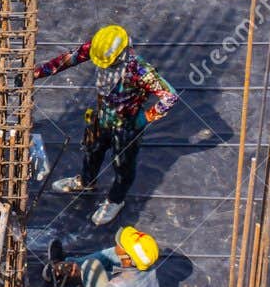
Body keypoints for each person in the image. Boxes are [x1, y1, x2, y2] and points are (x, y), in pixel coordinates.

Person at [35, 24, 179, 226]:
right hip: (101, 117)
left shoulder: (139, 70)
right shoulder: (99, 48)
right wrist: (39, 72)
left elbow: (170, 97)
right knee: (91, 151)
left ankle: (115, 200)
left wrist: (144, 118)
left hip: (126, 126)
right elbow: (69, 59)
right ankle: (86, 182)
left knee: (123, 166)